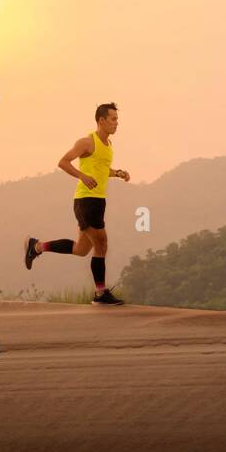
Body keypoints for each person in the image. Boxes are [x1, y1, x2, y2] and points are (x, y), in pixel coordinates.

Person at [25, 102, 130, 305]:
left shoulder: (108, 145)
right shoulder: (87, 142)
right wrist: (82, 176)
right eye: (113, 119)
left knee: (81, 250)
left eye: (117, 119)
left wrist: (117, 173)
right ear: (101, 120)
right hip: (85, 201)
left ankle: (37, 247)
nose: (117, 123)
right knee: (102, 244)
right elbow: (63, 162)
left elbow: (101, 168)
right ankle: (100, 294)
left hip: (99, 201)